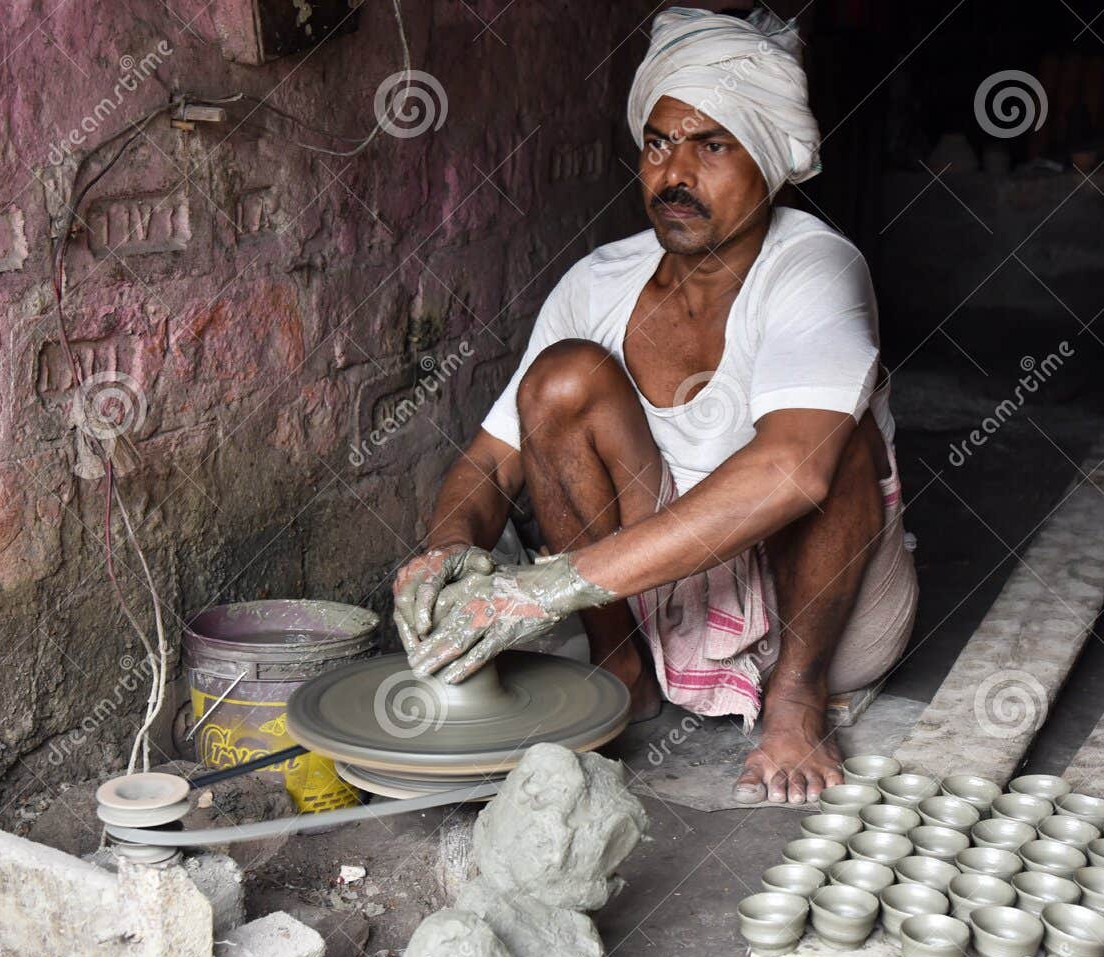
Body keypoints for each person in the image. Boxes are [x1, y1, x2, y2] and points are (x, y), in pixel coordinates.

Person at [392, 7, 917, 804]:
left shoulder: (816, 267)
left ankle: (797, 702)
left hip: (827, 617)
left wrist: (547, 588)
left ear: (770, 162)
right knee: (562, 380)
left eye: (713, 146)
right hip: (662, 596)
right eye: (658, 143)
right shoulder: (599, 279)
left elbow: (792, 474)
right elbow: (489, 461)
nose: (674, 175)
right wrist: (445, 548)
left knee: (828, 443)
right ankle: (622, 672)